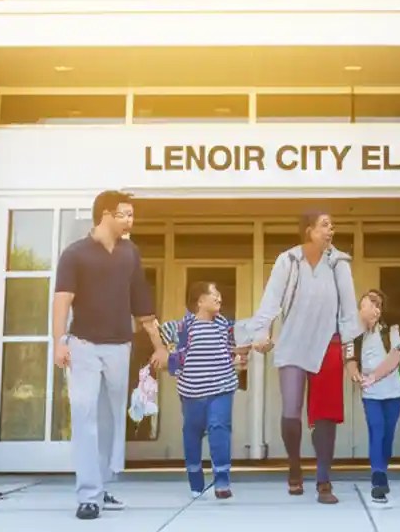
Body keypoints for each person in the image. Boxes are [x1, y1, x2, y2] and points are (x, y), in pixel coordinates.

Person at [53, 190, 168, 521]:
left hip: (120, 346)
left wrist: (158, 344)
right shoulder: (75, 254)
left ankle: (101, 487)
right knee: (84, 413)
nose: (131, 220)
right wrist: (60, 341)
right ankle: (88, 495)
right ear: (106, 214)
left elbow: (142, 302)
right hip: (84, 346)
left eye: (132, 214)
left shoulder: (130, 253)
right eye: (125, 214)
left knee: (110, 420)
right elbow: (62, 301)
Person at [238, 211, 363, 504]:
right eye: (324, 225)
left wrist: (350, 355)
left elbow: (347, 314)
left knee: (325, 414)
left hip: (328, 343)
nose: (331, 230)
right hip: (293, 343)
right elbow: (270, 302)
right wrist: (259, 334)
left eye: (332, 225)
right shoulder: (288, 260)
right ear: (309, 231)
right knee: (291, 412)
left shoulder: (339, 263)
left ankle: (323, 480)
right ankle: (294, 464)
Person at [161, 281, 252, 500]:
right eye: (214, 294)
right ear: (199, 301)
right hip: (191, 391)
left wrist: (244, 355)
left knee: (219, 427)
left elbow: (236, 349)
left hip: (221, 387)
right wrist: (167, 361)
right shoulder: (182, 327)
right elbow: (159, 337)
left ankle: (222, 481)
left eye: (219, 295)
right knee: (192, 433)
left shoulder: (224, 325)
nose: (219, 298)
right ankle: (195, 479)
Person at [345, 290, 400, 504]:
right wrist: (354, 373)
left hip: (393, 391)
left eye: (374, 304)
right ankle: (378, 476)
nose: (369, 308)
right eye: (364, 304)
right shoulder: (355, 334)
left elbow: (395, 358)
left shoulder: (392, 330)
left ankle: (382, 467)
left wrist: (374, 376)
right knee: (377, 428)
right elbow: (350, 358)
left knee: (387, 435)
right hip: (370, 393)